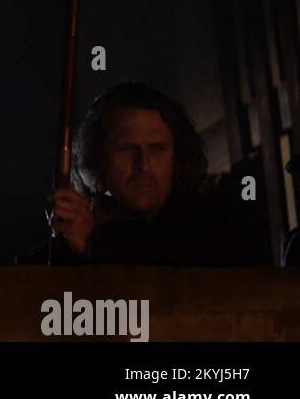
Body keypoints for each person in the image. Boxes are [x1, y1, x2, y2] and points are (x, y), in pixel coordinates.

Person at [24, 82, 263, 266]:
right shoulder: (63, 246)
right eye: (127, 149)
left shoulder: (214, 226)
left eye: (157, 149)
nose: (144, 165)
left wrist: (95, 245)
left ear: (176, 155)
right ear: (97, 158)